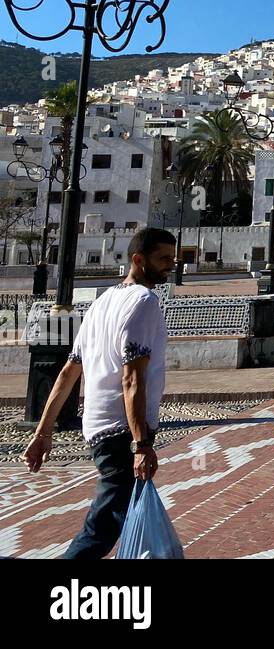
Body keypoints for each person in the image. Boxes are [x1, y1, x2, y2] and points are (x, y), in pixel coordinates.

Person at [25, 228, 174, 559]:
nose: (171, 265)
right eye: (163, 258)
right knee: (101, 529)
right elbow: (132, 379)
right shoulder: (144, 301)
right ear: (138, 259)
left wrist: (43, 432)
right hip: (122, 433)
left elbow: (68, 372)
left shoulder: (102, 303)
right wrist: (141, 445)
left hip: (97, 430)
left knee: (110, 521)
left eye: (172, 258)